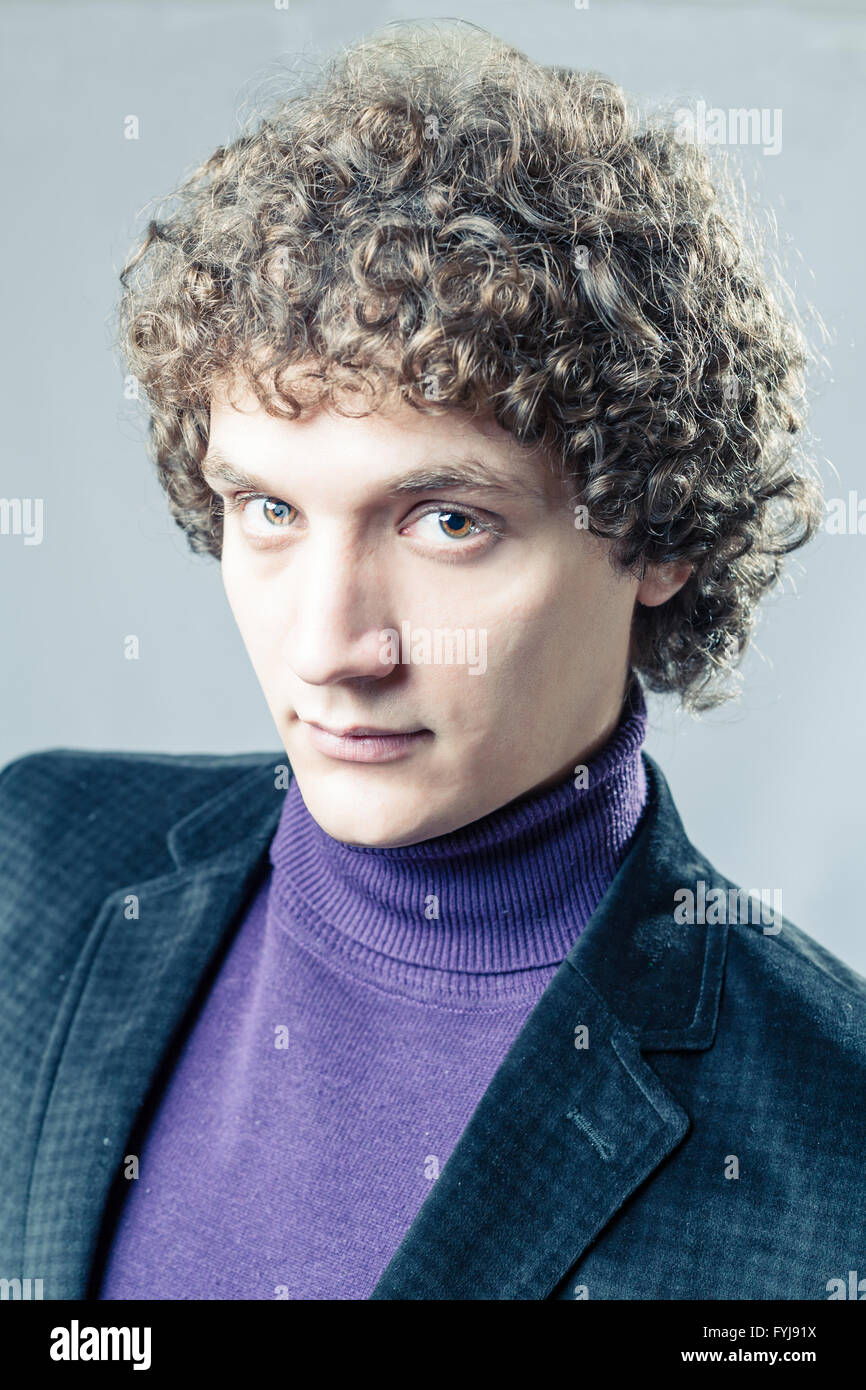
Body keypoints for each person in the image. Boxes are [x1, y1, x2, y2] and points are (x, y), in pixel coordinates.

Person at [1, 20, 863, 1302]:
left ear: (661, 531)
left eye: (446, 521)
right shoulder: (35, 858)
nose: (328, 646)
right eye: (268, 511)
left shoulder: (834, 1160)